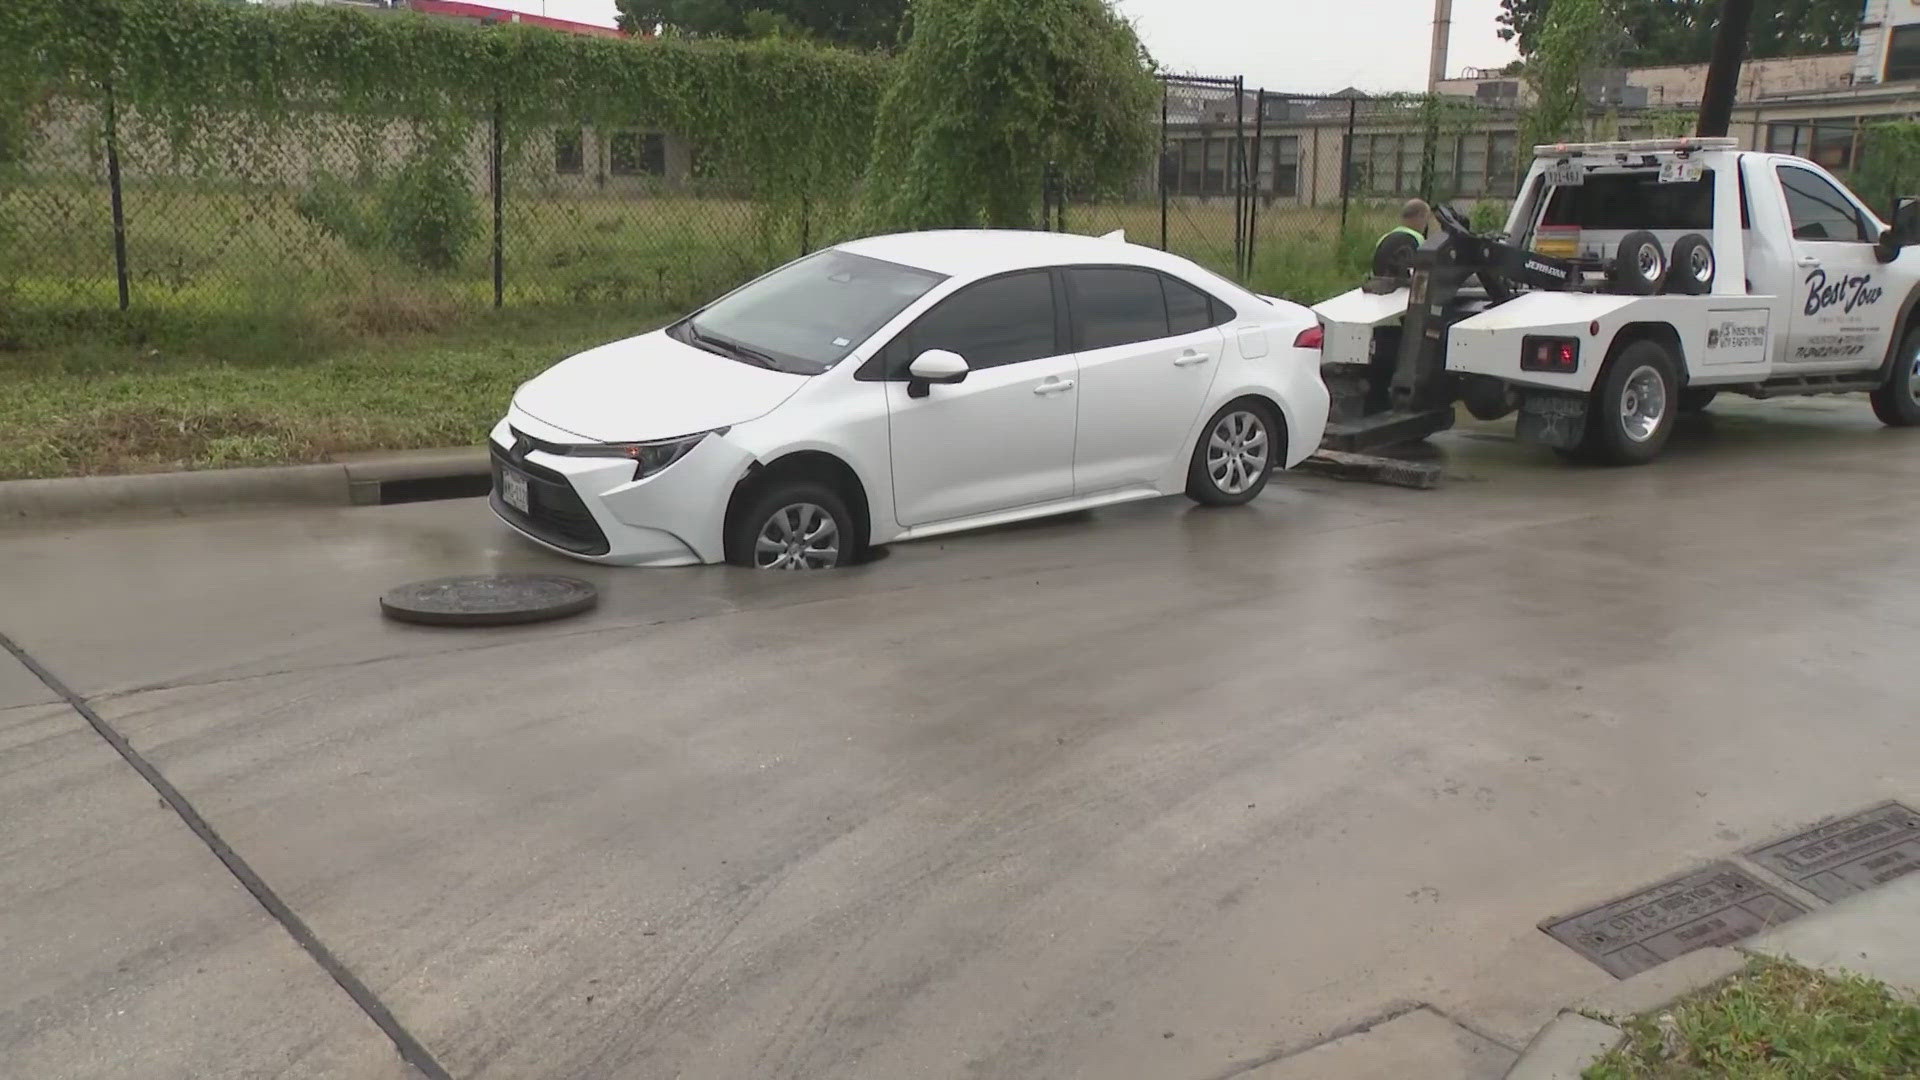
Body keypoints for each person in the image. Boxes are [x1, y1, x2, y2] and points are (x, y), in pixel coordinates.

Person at [1370, 198, 1432, 282]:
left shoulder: (1384, 237)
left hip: (1379, 284)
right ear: (1421, 216)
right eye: (1426, 219)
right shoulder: (1417, 238)